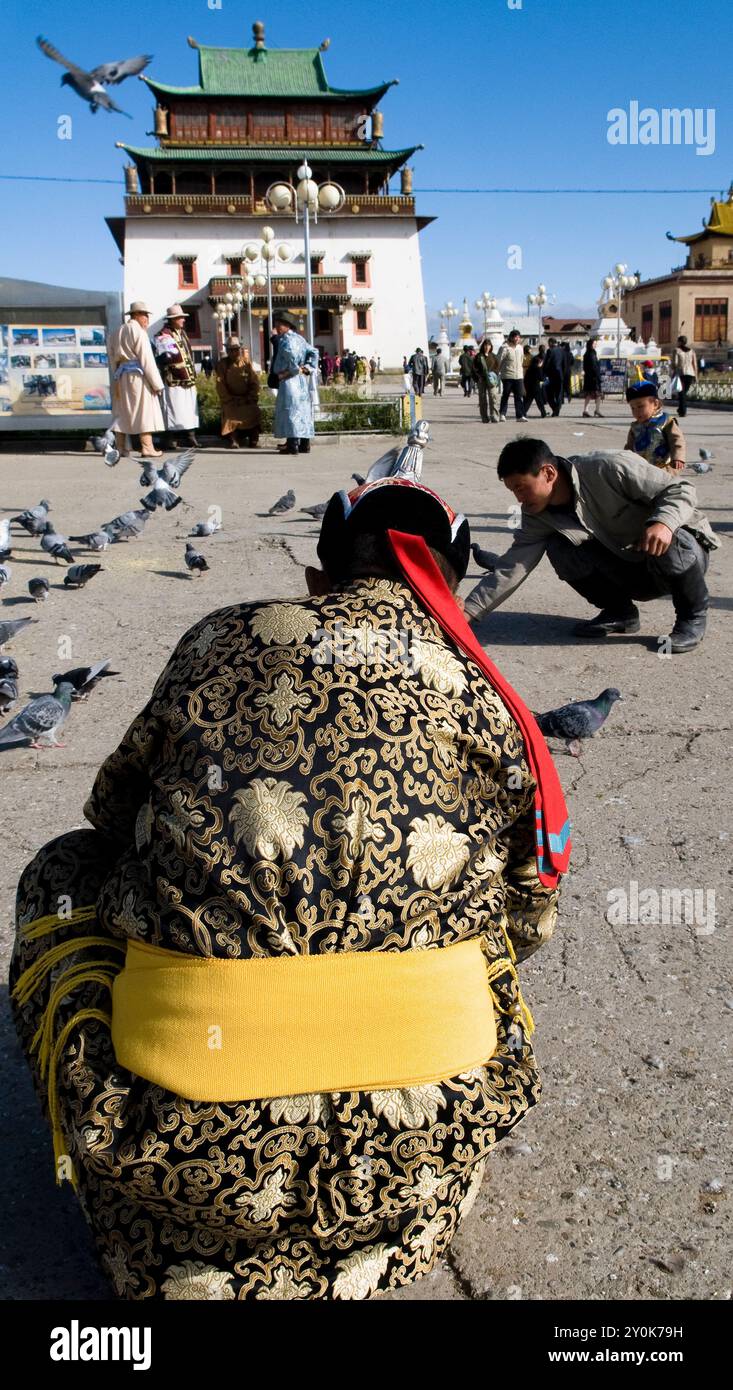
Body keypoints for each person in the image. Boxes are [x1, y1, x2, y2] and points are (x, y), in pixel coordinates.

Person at [9, 440, 570, 1301]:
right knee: (485, 925)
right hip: (419, 1139)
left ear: (317, 577)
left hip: (176, 1150)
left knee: (63, 871)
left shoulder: (221, 634)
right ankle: (375, 1238)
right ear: (447, 590)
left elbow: (110, 813)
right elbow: (532, 911)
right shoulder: (483, 689)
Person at [464, 437, 718, 654]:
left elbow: (681, 489)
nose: (519, 498)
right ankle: (620, 613)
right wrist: (467, 614)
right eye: (513, 491)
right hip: (632, 568)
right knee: (559, 546)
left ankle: (691, 618)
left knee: (671, 535)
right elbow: (512, 567)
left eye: (521, 487)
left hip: (682, 557)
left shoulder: (608, 466)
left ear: (548, 473)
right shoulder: (536, 514)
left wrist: (663, 522)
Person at [108, 300, 165, 460]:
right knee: (144, 410)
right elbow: (146, 359)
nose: (147, 318)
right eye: (145, 315)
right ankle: (147, 447)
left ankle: (120, 448)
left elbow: (112, 358)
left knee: (122, 411)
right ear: (137, 315)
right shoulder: (138, 331)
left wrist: (116, 375)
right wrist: (157, 384)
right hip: (138, 376)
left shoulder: (116, 332)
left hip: (121, 376)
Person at [270, 310, 319, 455]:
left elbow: (290, 357)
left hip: (288, 380)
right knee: (302, 412)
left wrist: (288, 372)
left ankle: (292, 445)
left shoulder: (286, 340)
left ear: (286, 325)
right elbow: (314, 352)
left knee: (290, 411)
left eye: (278, 325)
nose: (276, 328)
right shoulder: (300, 339)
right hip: (301, 380)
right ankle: (305, 444)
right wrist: (308, 368)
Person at [153, 305, 200, 450]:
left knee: (189, 407)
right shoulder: (163, 335)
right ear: (173, 320)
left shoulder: (182, 333)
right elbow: (166, 357)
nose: (183, 320)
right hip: (173, 379)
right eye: (180, 318)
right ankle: (170, 438)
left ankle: (191, 436)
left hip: (188, 378)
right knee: (174, 408)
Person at [624, 380, 685, 473]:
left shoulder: (666, 421)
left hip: (665, 468)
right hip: (642, 469)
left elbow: (677, 440)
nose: (636, 411)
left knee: (662, 485)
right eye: (633, 408)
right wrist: (625, 460)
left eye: (640, 406)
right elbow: (629, 447)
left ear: (656, 404)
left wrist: (678, 457)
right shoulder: (635, 427)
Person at [215, 337, 261, 449]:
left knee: (254, 410)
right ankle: (233, 439)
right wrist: (229, 399)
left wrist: (250, 397)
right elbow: (220, 384)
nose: (233, 352)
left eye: (236, 350)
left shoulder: (246, 363)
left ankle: (253, 439)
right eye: (230, 350)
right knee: (229, 412)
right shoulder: (222, 364)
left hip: (246, 399)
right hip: (231, 400)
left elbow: (254, 382)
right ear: (227, 351)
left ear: (239, 350)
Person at [497, 330, 528, 422]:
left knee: (519, 396)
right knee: (505, 395)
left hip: (518, 376)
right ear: (510, 337)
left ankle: (519, 416)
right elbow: (498, 360)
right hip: (507, 375)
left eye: (518, 337)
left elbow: (521, 360)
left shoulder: (520, 348)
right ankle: (502, 414)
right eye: (515, 337)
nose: (517, 338)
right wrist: (497, 372)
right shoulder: (504, 347)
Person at [473, 338, 501, 422]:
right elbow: (474, 368)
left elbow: (498, 367)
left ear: (491, 346)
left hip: (491, 380)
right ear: (483, 346)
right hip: (482, 380)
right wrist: (478, 377)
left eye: (488, 345)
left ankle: (494, 416)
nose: (487, 347)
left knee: (493, 398)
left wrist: (494, 374)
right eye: (485, 345)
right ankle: (484, 417)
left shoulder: (493, 356)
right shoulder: (478, 356)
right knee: (482, 399)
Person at [671, 336, 698, 417]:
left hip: (681, 373)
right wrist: (696, 376)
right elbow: (695, 364)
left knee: (681, 393)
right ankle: (680, 409)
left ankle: (683, 411)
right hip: (690, 374)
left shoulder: (676, 350)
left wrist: (673, 369)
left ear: (679, 342)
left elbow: (675, 363)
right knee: (683, 393)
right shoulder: (692, 351)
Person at [523, 346, 548, 419]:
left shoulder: (532, 364)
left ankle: (523, 412)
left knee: (528, 400)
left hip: (528, 383)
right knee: (539, 400)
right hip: (535, 385)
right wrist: (543, 378)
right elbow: (540, 377)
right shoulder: (538, 366)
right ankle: (543, 413)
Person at [581, 337, 603, 417]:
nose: (595, 345)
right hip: (593, 378)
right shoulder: (592, 354)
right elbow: (594, 367)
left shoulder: (586, 354)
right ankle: (597, 410)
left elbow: (585, 367)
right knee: (598, 394)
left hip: (588, 377)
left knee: (589, 394)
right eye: (594, 343)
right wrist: (598, 377)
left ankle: (585, 410)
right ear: (591, 345)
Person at [543, 338, 565, 417]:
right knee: (558, 394)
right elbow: (564, 364)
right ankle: (557, 410)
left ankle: (555, 409)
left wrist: (544, 373)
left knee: (549, 395)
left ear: (551, 343)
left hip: (551, 376)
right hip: (560, 375)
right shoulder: (562, 351)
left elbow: (547, 363)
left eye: (549, 343)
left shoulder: (550, 351)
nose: (548, 345)